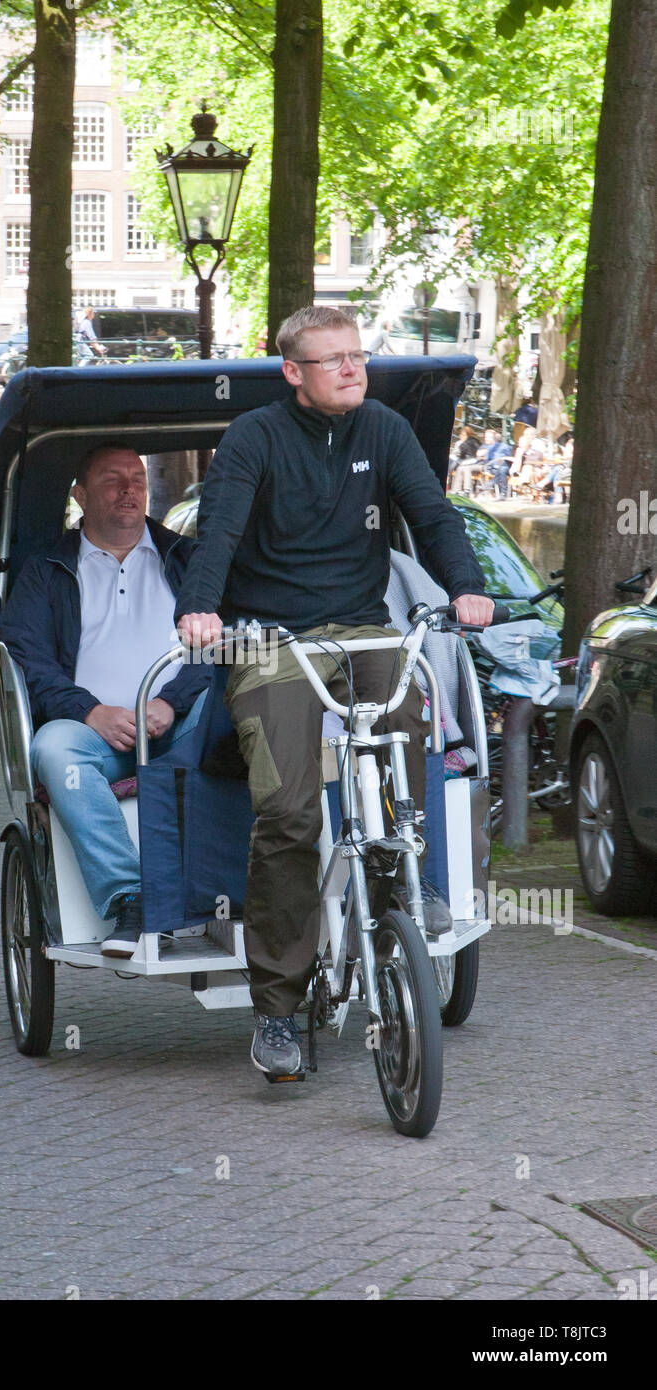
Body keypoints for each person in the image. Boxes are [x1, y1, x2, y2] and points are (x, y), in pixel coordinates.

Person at [174, 305, 492, 1079]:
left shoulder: (382, 428)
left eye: (358, 356)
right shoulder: (256, 437)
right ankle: (278, 1011)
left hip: (360, 625)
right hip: (270, 635)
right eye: (334, 360)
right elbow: (217, 528)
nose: (353, 369)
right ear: (293, 372)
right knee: (285, 814)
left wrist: (469, 588)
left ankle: (400, 881)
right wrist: (201, 606)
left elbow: (432, 512)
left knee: (411, 710)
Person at [0, 446, 211, 959]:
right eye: (112, 480)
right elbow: (28, 660)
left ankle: (235, 887)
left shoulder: (185, 559)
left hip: (182, 724)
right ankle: (129, 896)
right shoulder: (45, 569)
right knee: (53, 750)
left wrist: (170, 701)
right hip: (95, 732)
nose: (129, 489)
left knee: (244, 712)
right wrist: (90, 711)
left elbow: (220, 647)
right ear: (79, 495)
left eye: (137, 479)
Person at [449, 425, 480, 495]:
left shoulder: (473, 442)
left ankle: (466, 490)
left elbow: (476, 454)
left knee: (463, 467)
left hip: (477, 463)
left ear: (468, 435)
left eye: (463, 435)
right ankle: (456, 490)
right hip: (468, 462)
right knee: (460, 468)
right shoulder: (460, 443)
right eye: (461, 434)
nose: (461, 436)